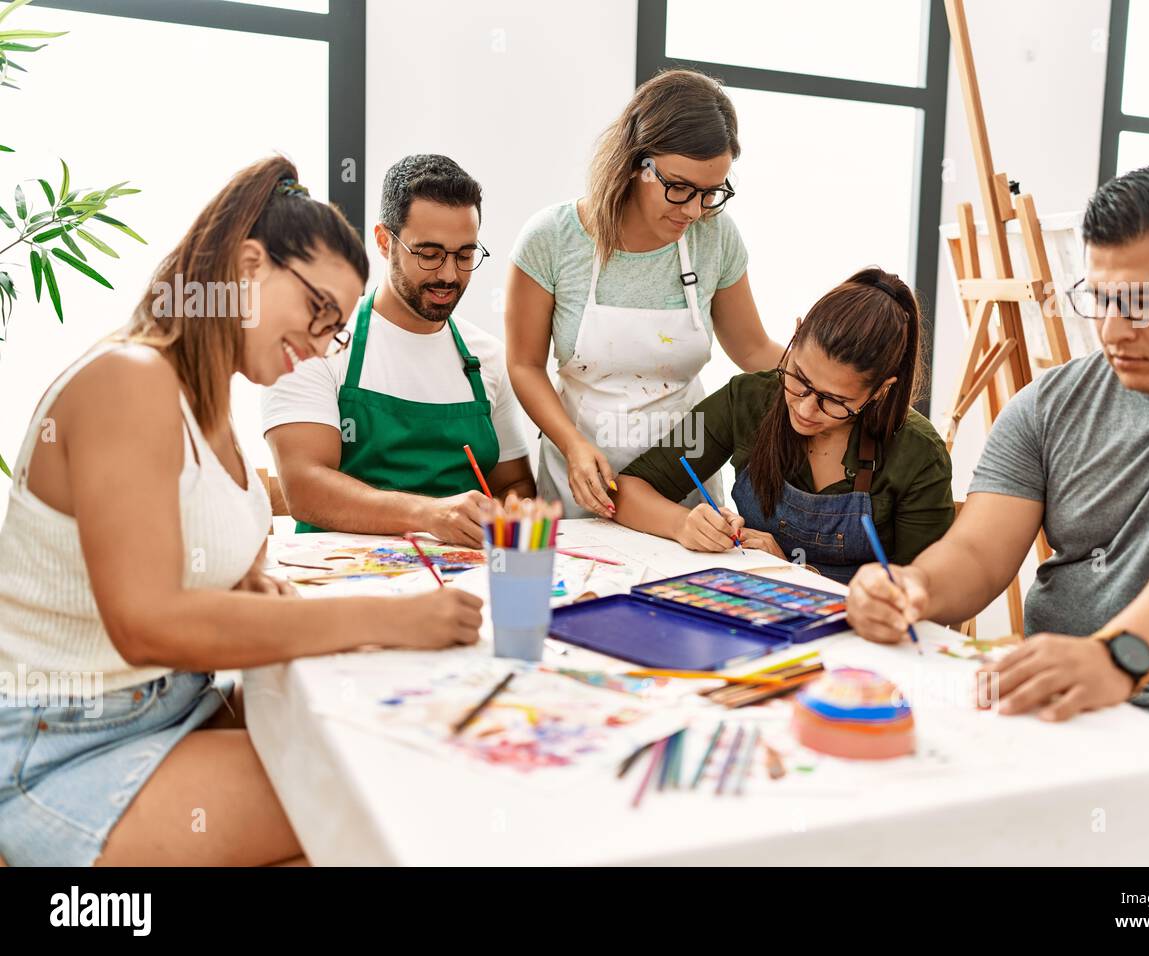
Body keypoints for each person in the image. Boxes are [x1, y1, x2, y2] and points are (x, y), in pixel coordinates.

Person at [0, 158, 482, 867]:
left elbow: (187, 558)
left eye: (336, 329)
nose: (322, 343)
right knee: (384, 807)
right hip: (66, 746)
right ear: (249, 265)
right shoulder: (127, 381)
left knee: (402, 751)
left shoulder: (211, 407)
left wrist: (241, 581)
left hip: (175, 708)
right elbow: (147, 622)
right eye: (318, 311)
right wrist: (394, 617)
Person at [846, 165, 1149, 858]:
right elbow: (975, 553)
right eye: (1101, 298)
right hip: (1048, 703)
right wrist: (915, 588)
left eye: (1144, 301)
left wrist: (1117, 658)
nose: (1114, 330)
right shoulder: (1049, 404)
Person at [506, 68, 785, 520]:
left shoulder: (715, 238)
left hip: (683, 484)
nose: (695, 211)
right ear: (637, 162)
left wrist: (822, 376)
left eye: (711, 193)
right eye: (679, 188)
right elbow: (523, 365)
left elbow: (753, 348)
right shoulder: (552, 239)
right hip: (583, 479)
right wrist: (572, 444)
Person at [614, 268, 954, 583]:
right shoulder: (748, 399)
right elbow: (628, 490)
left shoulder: (918, 452)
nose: (805, 408)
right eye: (798, 378)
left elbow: (926, 593)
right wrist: (682, 524)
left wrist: (795, 572)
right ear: (794, 336)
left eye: (834, 400)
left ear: (880, 391)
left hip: (859, 634)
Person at [264, 154, 534, 543]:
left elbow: (516, 484)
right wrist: (429, 514)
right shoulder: (317, 343)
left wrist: (508, 516)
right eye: (429, 254)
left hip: (461, 579)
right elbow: (306, 489)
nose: (448, 274)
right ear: (383, 241)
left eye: (464, 255)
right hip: (338, 581)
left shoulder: (486, 357)